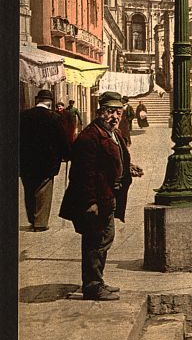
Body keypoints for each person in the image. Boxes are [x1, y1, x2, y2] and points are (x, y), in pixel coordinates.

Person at [58, 91, 143, 300]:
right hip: (96, 199)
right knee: (95, 241)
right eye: (110, 112)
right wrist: (90, 202)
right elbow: (83, 174)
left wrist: (127, 167)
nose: (115, 117)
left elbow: (111, 158)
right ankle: (93, 286)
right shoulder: (90, 137)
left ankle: (98, 280)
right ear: (100, 112)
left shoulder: (113, 133)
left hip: (107, 197)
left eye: (118, 112)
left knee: (105, 238)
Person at [19, 89, 71, 231]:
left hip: (25, 162)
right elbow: (62, 139)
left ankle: (32, 219)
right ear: (50, 102)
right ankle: (40, 223)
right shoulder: (54, 117)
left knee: (29, 190)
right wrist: (67, 155)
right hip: (46, 162)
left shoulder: (23, 116)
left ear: (37, 101)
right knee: (43, 191)